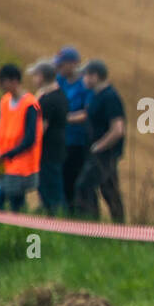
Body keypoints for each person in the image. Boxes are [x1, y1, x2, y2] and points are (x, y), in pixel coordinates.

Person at [75, 59, 127, 223]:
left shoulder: (110, 97)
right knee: (108, 190)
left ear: (95, 76)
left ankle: (92, 226)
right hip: (99, 153)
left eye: (85, 75)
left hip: (105, 154)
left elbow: (118, 129)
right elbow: (87, 115)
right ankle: (116, 227)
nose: (83, 79)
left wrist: (99, 146)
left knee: (85, 186)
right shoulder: (97, 96)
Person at [0, 64, 44, 212]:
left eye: (2, 81)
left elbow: (30, 138)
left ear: (14, 81)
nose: (0, 85)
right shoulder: (5, 101)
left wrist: (6, 154)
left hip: (21, 164)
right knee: (15, 205)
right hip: (5, 163)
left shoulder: (30, 104)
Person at [54, 46, 94, 215]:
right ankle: (67, 212)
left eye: (62, 65)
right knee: (62, 178)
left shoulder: (84, 84)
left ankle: (82, 214)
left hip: (78, 140)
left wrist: (66, 118)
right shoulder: (59, 81)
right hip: (62, 139)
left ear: (73, 64)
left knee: (76, 178)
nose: (59, 68)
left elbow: (88, 112)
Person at [30, 60, 68, 215]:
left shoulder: (48, 100)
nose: (33, 79)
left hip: (47, 150)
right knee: (53, 184)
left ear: (42, 77)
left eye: (35, 75)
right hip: (57, 148)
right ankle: (57, 216)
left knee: (49, 186)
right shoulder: (60, 95)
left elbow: (40, 128)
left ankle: (56, 218)